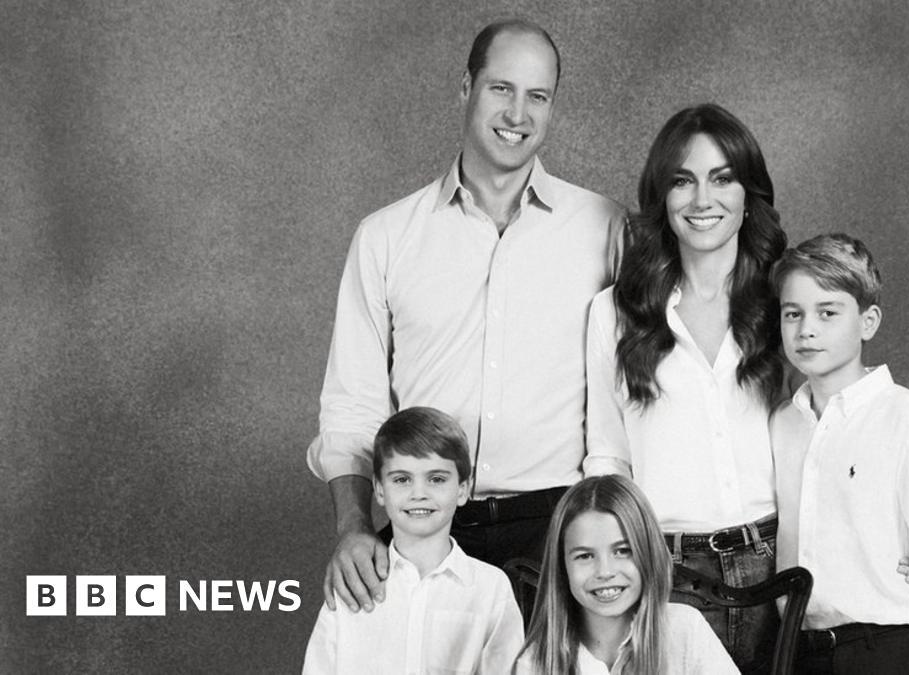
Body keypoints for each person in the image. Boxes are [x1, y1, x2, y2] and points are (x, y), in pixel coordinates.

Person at [307, 19, 624, 614]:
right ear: (465, 89)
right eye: (501, 89)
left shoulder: (605, 229)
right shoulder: (385, 238)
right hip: (426, 527)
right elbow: (352, 406)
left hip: (557, 533)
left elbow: (640, 388)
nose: (518, 114)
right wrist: (353, 526)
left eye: (538, 96)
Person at [584, 103, 787, 672]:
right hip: (667, 571)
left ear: (749, 197)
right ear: (662, 197)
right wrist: (615, 564)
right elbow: (607, 457)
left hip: (779, 566)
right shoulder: (615, 313)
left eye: (723, 179)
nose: (703, 200)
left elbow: (830, 431)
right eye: (683, 181)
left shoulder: (784, 304)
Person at [769, 234, 909, 675]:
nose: (807, 329)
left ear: (868, 322)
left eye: (828, 313)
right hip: (796, 651)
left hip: (880, 647)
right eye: (793, 314)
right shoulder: (781, 426)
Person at [302, 407, 524, 674]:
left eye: (436, 479)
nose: (419, 493)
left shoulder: (491, 587)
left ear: (463, 489)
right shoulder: (356, 581)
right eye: (402, 479)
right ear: (380, 490)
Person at [513, 474, 737, 675]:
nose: (605, 572)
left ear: (647, 554)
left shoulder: (685, 630)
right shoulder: (535, 663)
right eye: (585, 556)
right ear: (562, 567)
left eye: (622, 551)